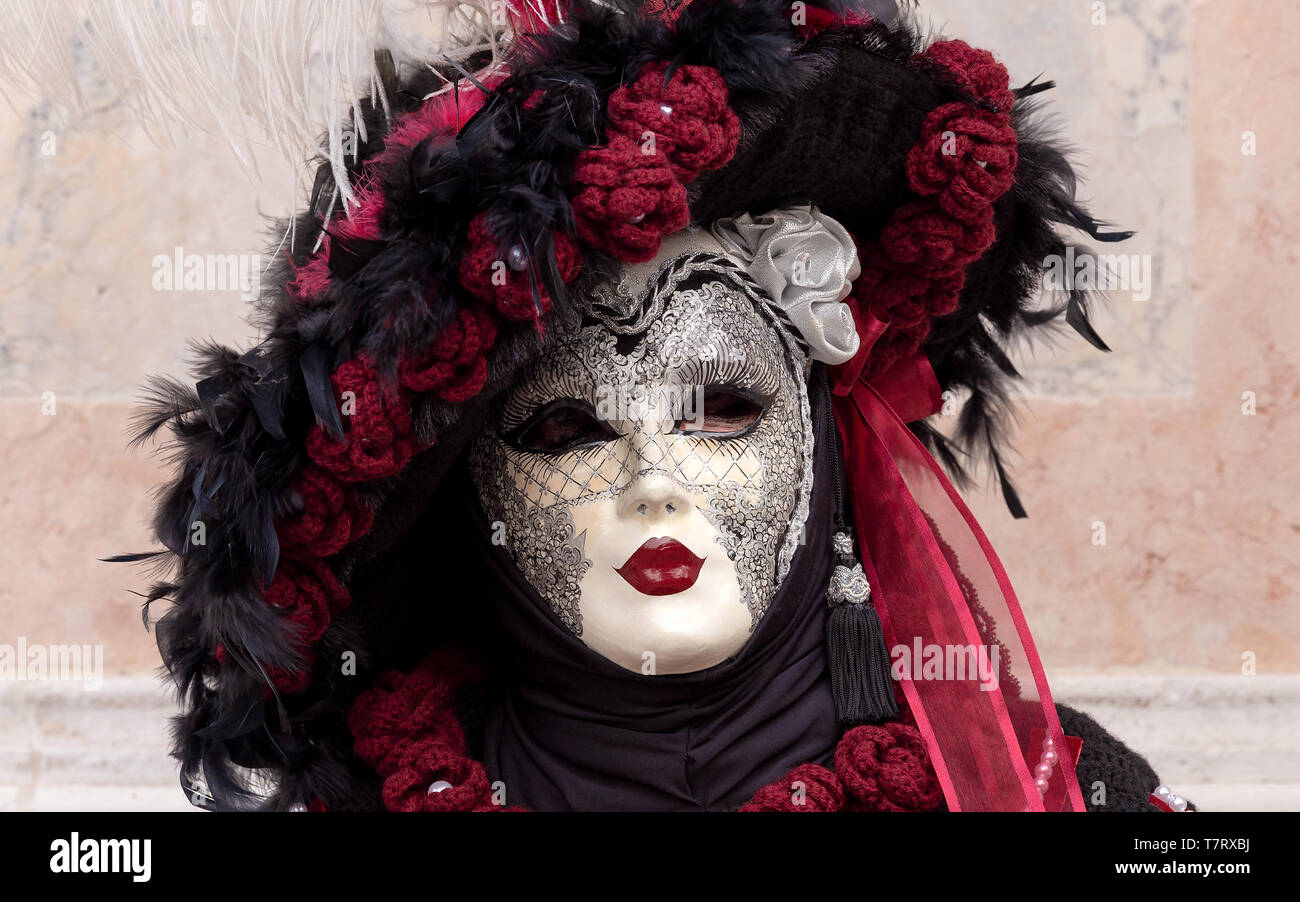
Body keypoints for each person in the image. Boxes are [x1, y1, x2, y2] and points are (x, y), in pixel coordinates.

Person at [118, 0, 1191, 811]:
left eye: (722, 407)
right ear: (468, 487)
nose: (652, 483)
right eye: (563, 428)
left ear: (823, 440)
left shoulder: (1057, 788)